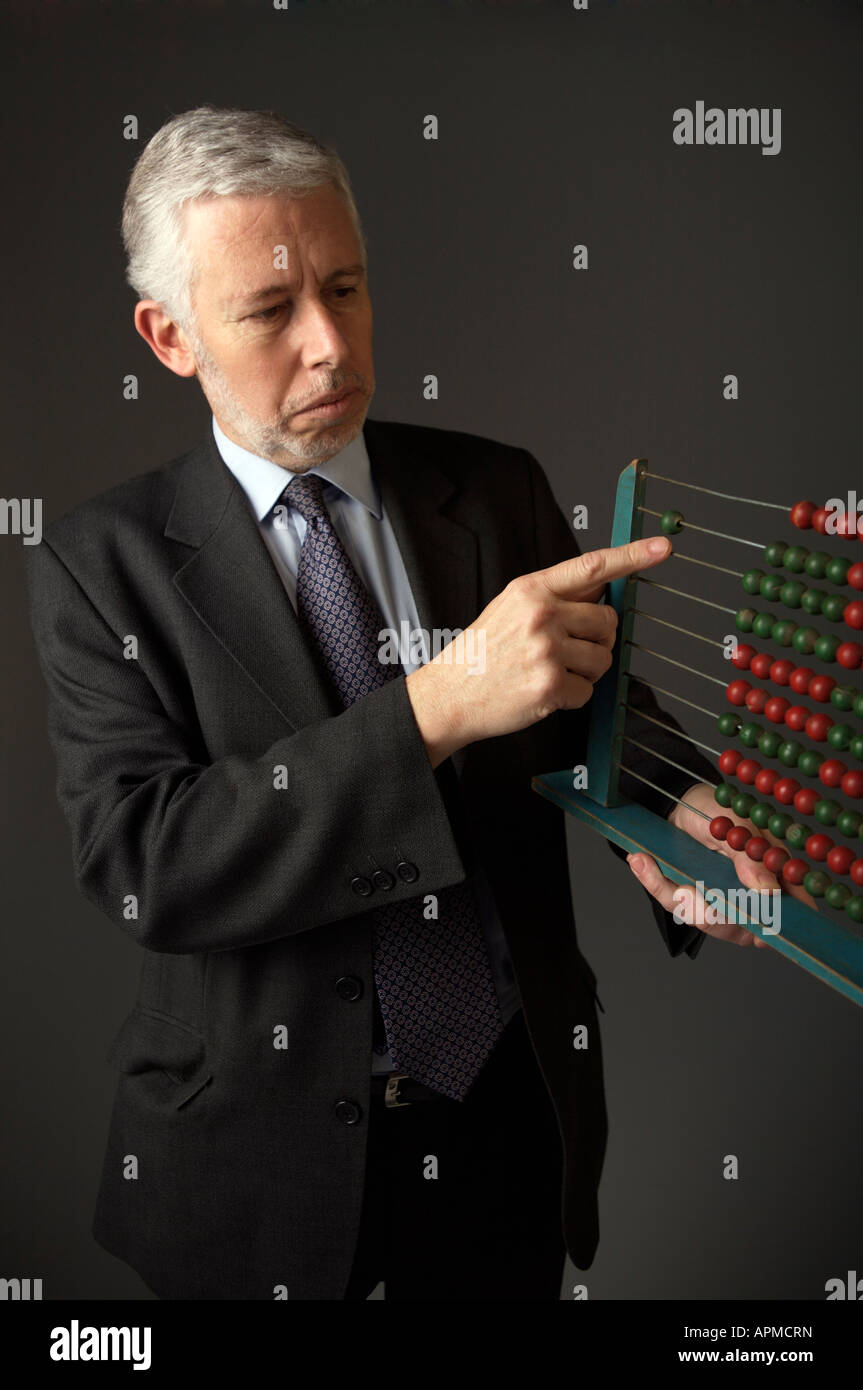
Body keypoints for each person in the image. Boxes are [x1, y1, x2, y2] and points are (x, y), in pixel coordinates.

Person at [25, 105, 774, 1302]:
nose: (328, 342)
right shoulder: (95, 565)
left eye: (347, 287)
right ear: (169, 336)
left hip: (504, 1115)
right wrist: (437, 704)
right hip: (253, 1161)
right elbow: (148, 863)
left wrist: (684, 811)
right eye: (270, 311)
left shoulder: (490, 487)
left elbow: (592, 697)